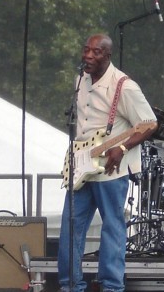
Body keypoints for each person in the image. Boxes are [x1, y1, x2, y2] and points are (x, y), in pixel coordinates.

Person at [58, 33, 157, 292]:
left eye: (96, 52)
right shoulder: (80, 79)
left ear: (107, 56)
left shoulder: (124, 86)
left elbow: (149, 124)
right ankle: (70, 286)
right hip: (82, 167)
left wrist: (122, 147)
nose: (88, 55)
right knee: (70, 228)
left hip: (111, 170)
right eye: (86, 50)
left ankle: (112, 287)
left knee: (112, 227)